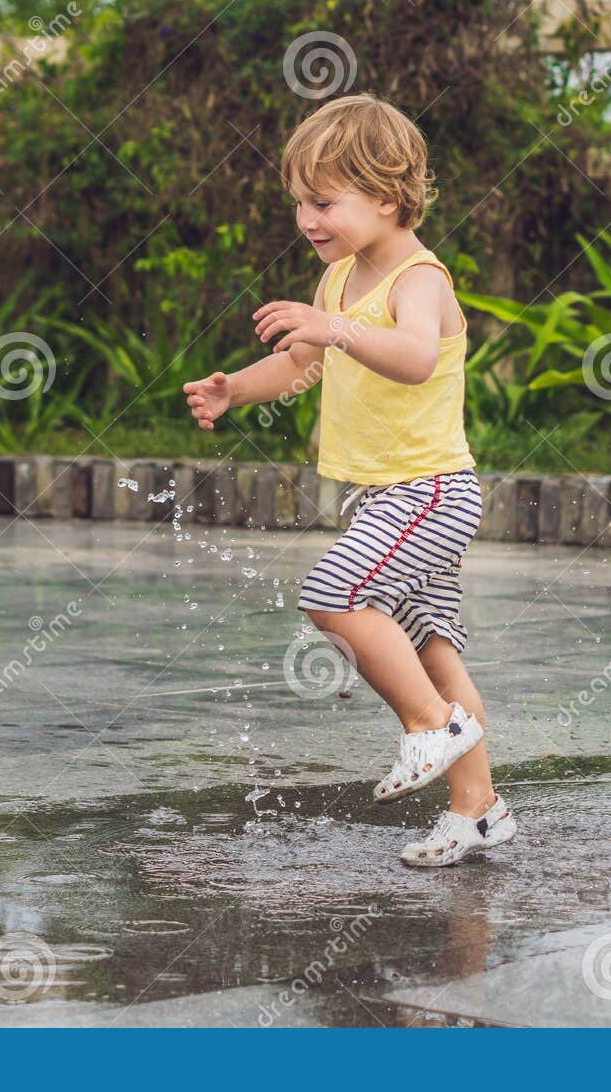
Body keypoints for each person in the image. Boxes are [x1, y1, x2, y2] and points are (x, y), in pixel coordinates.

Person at [181, 93, 515, 867]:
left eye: (323, 201)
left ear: (388, 197)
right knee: (431, 646)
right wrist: (238, 389)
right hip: (394, 495)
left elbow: (416, 357)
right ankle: (479, 808)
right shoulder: (338, 283)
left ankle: (431, 726)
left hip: (428, 490)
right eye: (299, 201)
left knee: (334, 594)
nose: (306, 219)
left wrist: (335, 327)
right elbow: (300, 365)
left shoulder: (416, 279)